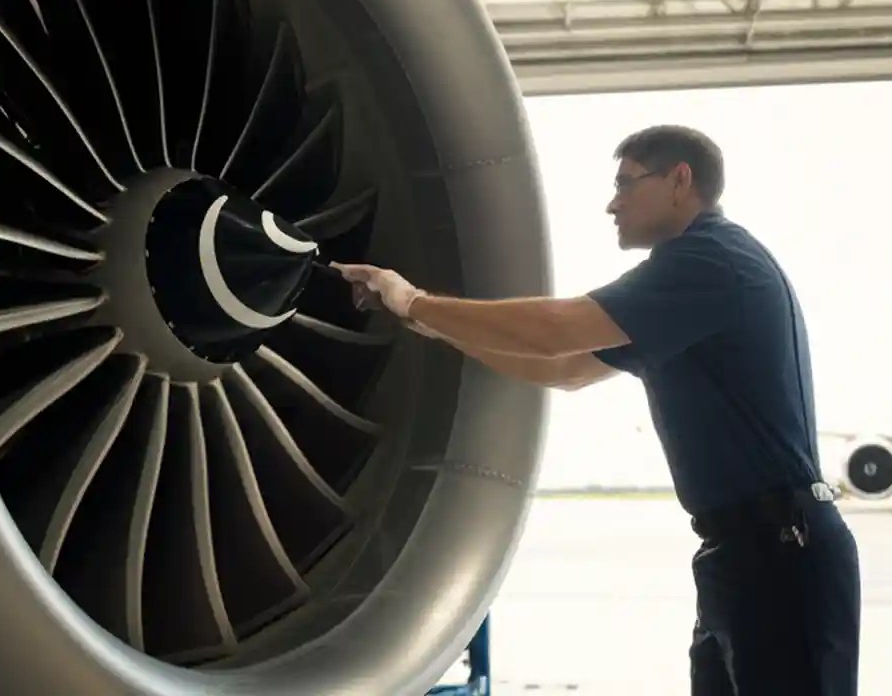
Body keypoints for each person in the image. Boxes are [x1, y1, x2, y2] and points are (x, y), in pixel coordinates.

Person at [332, 125, 861, 695]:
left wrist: (417, 300)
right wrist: (424, 322)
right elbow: (567, 369)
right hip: (743, 557)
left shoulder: (711, 262)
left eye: (626, 183)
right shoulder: (691, 282)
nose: (613, 203)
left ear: (680, 181)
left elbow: (557, 332)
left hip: (781, 554)